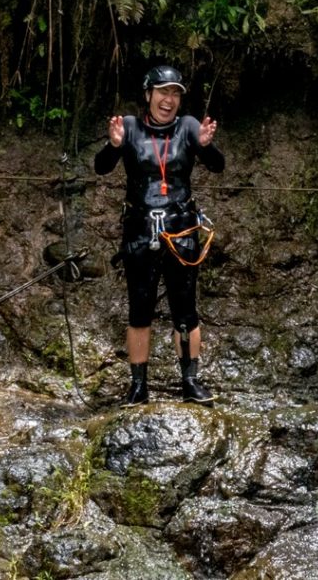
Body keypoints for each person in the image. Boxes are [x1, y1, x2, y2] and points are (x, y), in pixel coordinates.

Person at [94, 64, 225, 406]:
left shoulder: (188, 126)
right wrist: (113, 145)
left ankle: (191, 382)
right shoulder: (131, 127)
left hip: (181, 229)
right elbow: (101, 166)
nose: (169, 100)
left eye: (176, 94)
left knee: (186, 309)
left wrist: (207, 146)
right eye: (163, 92)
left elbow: (218, 164)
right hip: (140, 230)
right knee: (140, 310)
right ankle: (138, 386)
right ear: (148, 94)